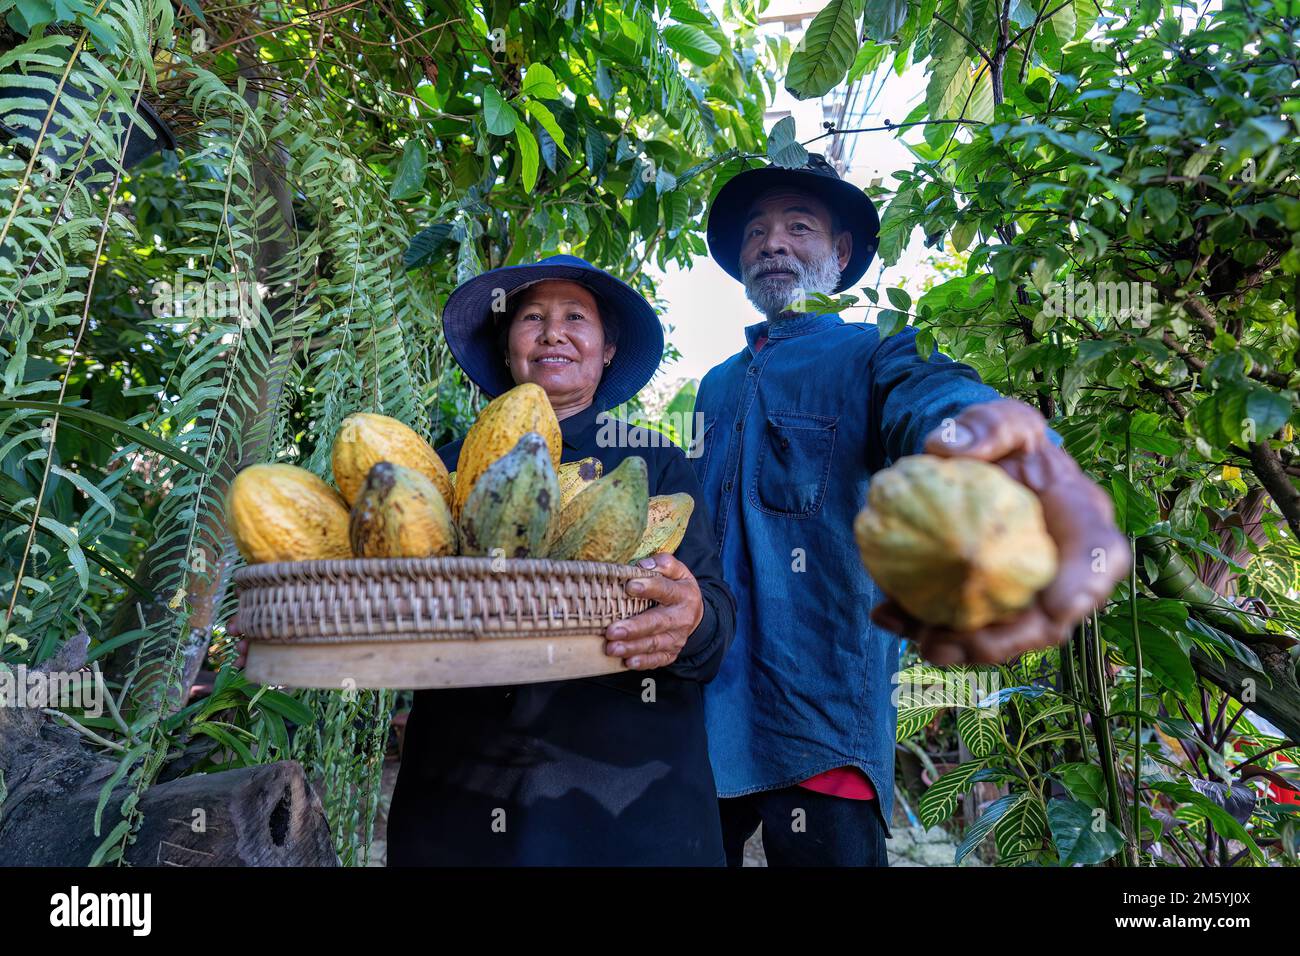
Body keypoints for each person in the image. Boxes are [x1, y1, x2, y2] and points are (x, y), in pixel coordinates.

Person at [692, 153, 1130, 866]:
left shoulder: (876, 353)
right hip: (704, 716)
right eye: (756, 232)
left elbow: (934, 398)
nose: (771, 243)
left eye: (798, 226)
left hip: (820, 718)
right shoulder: (713, 387)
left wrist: (1011, 456)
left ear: (838, 256)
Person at [239, 254, 736, 865]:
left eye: (576, 317)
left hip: (626, 797)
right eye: (532, 318)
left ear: (607, 350)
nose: (554, 332)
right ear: (508, 349)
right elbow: (367, 592)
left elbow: (715, 619)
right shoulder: (434, 471)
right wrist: (297, 619)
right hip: (465, 794)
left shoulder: (654, 466)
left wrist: (692, 617)